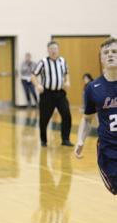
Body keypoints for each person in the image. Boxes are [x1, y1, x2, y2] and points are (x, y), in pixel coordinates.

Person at [75, 37, 117, 195]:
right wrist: (80, 140)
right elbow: (87, 119)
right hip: (109, 151)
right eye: (106, 52)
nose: (110, 55)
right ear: (101, 59)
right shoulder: (93, 88)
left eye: (114, 51)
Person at [31, 41, 73, 147]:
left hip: (60, 94)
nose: (53, 50)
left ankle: (65, 139)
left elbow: (66, 73)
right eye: (51, 49)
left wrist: (67, 81)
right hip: (47, 94)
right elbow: (33, 75)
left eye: (55, 48)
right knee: (44, 118)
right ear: (48, 50)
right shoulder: (43, 62)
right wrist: (37, 85)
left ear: (58, 50)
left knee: (67, 115)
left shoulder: (62, 61)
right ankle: (43, 140)